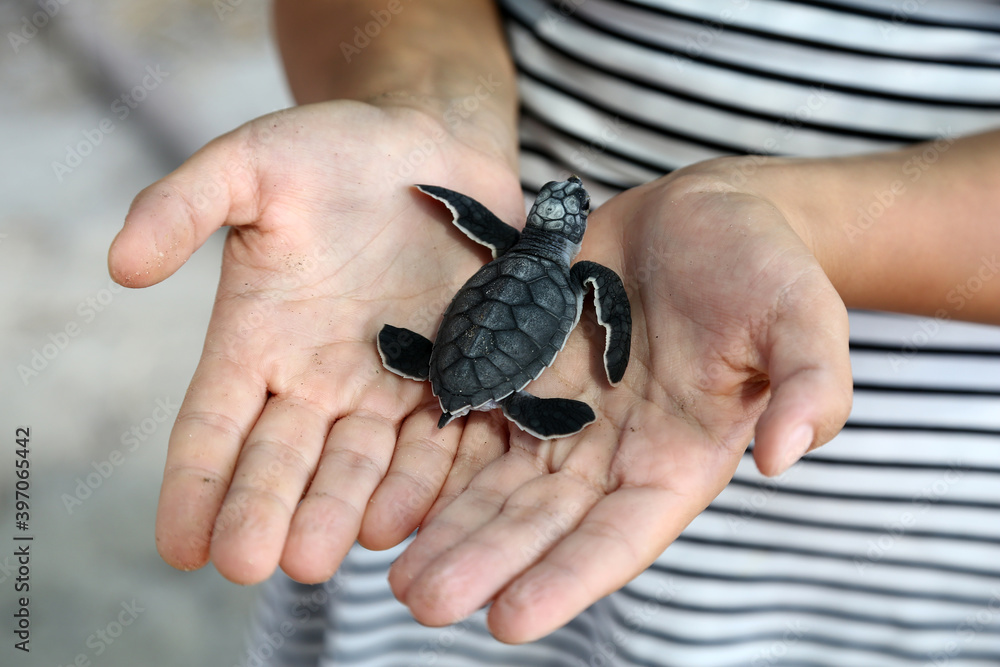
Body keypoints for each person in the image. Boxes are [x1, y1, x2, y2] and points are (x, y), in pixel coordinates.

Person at [108, 0, 1000, 663]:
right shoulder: (582, 275)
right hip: (448, 485)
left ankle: (472, 389)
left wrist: (798, 222)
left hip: (898, 526)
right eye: (561, 205)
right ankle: (515, 406)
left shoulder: (522, 249)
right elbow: (511, 246)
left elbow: (490, 237)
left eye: (561, 207)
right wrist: (415, 112)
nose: (564, 204)